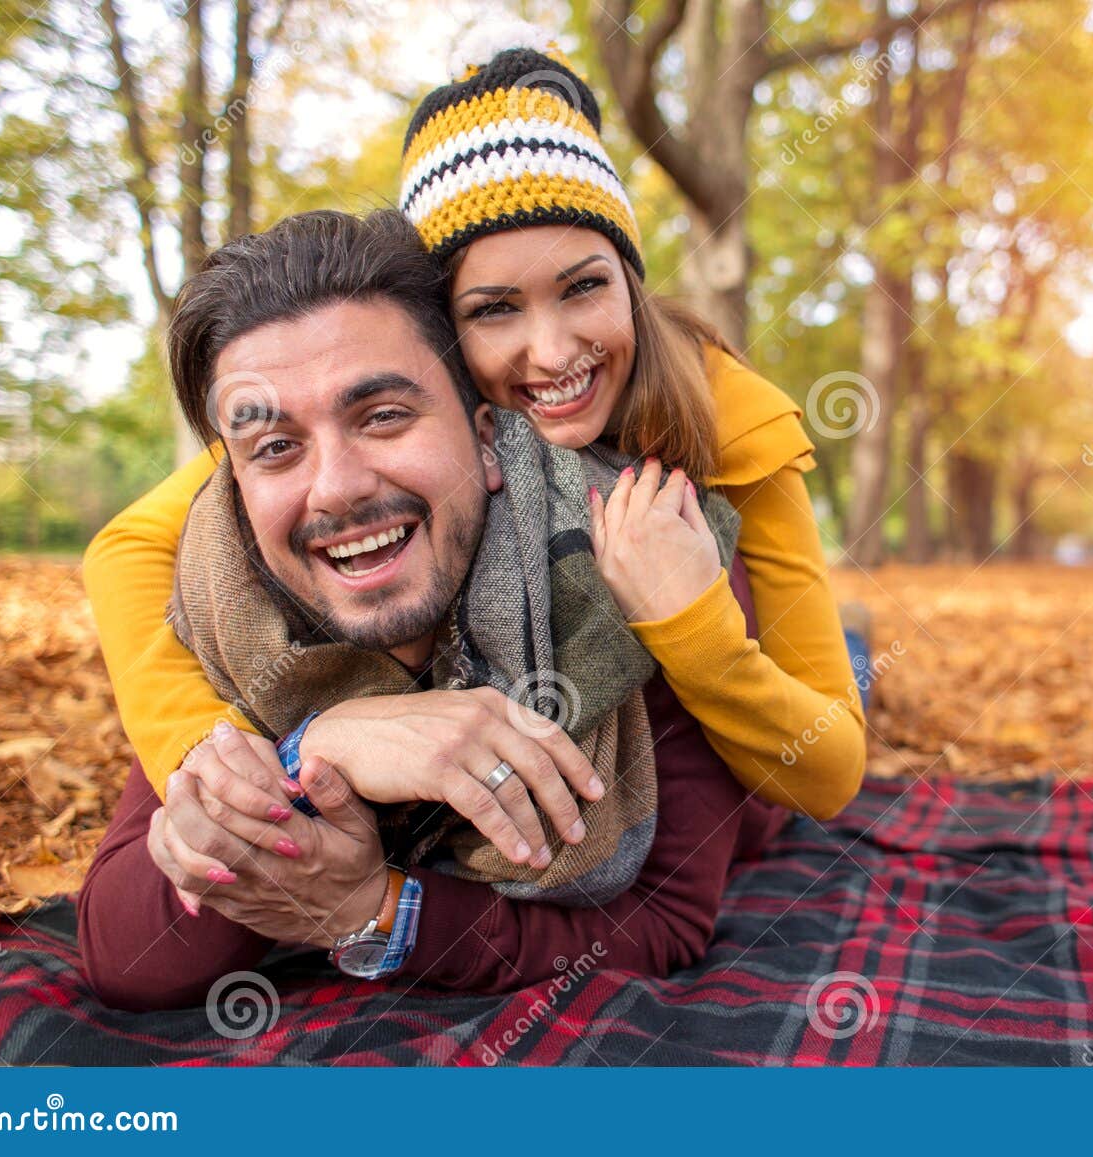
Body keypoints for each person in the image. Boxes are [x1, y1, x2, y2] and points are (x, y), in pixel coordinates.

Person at [81, 23, 867, 828]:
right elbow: (128, 547)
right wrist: (201, 748)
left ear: (629, 280)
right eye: (494, 309)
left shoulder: (728, 416)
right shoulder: (390, 400)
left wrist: (691, 623)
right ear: (441, 340)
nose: (554, 351)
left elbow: (831, 771)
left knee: (851, 653)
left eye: (583, 287)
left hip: (737, 681)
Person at [76, 208, 787, 1009]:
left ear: (489, 439)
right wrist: (313, 755)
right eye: (276, 446)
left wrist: (376, 910)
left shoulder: (649, 560)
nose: (338, 487)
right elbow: (130, 955)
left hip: (756, 787)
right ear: (235, 486)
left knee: (844, 685)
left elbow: (666, 920)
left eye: (382, 415)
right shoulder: (232, 601)